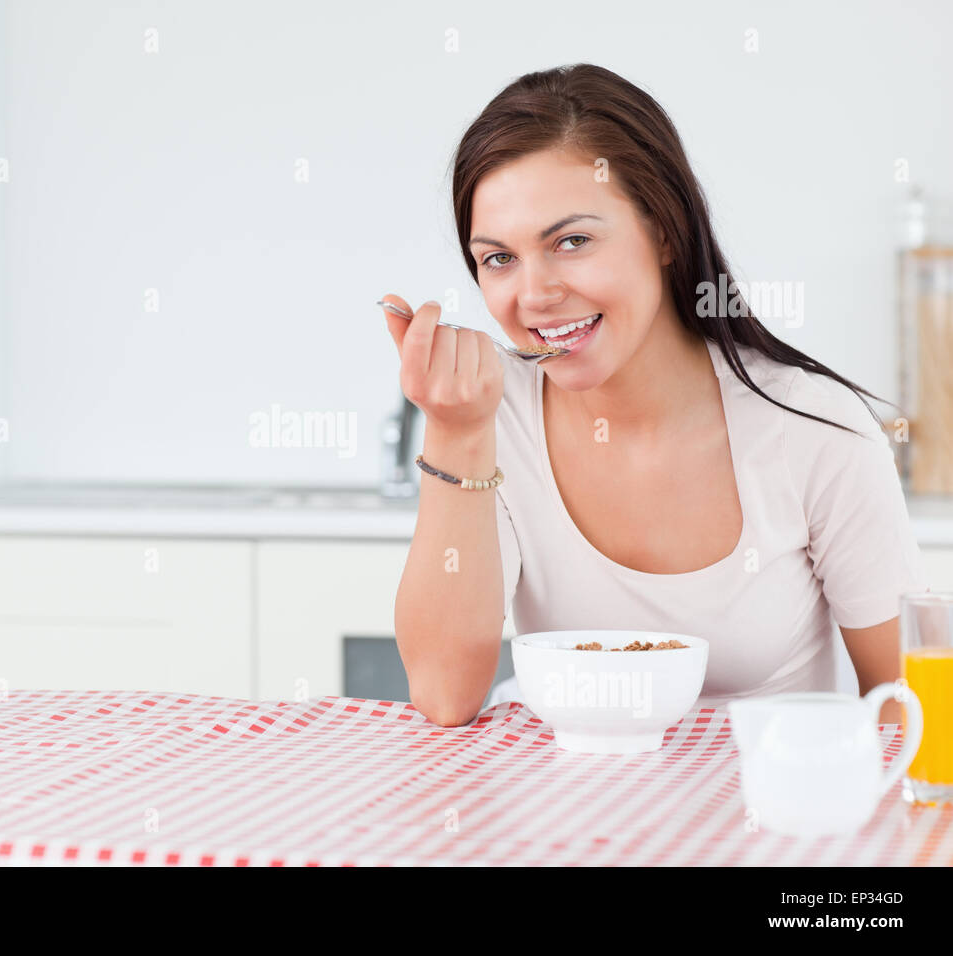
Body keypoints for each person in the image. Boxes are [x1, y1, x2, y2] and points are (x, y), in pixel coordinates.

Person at [382, 63, 927, 728]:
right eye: (499, 258)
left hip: (761, 818)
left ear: (665, 231)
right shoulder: (497, 415)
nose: (534, 295)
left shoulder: (814, 429)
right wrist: (456, 432)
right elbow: (443, 696)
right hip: (558, 816)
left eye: (572, 241)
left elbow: (913, 714)